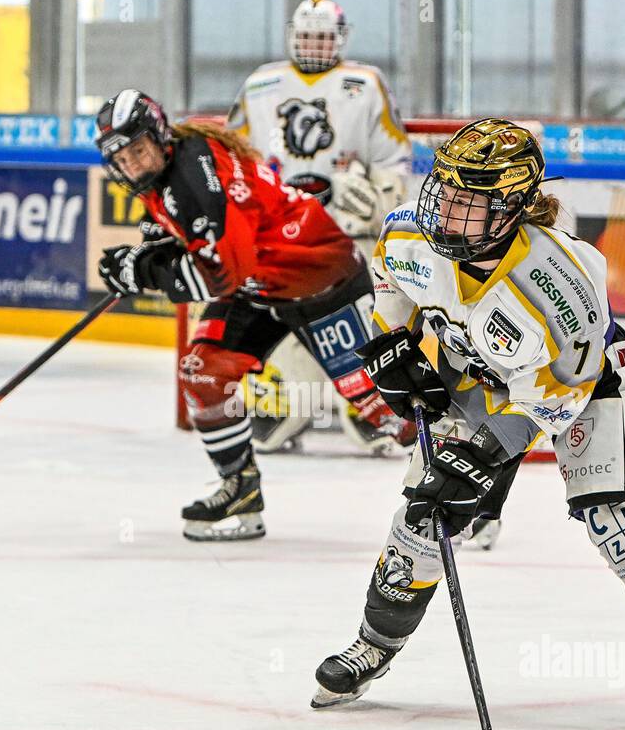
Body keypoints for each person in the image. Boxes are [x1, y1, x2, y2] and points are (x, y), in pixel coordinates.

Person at [311, 119, 625, 730]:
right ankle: (373, 646)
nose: (447, 212)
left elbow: (558, 393)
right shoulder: (412, 235)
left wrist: (484, 455)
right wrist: (394, 351)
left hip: (589, 385)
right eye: (445, 192)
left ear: (511, 208)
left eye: (469, 202)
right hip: (477, 376)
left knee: (620, 524)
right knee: (425, 517)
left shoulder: (560, 288)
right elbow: (391, 287)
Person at [93, 88, 414, 541]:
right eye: (122, 159)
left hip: (319, 280)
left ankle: (463, 500)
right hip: (261, 285)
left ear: (159, 135)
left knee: (386, 406)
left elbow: (220, 275)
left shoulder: (191, 175)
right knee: (204, 373)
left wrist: (144, 269)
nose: (132, 165)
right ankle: (240, 489)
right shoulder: (167, 170)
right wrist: (148, 257)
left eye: (138, 151)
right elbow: (200, 245)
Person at [226, 0, 413, 453]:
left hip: (349, 233)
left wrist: (375, 194)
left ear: (340, 39)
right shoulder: (260, 86)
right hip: (281, 236)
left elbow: (394, 160)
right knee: (281, 324)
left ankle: (371, 407)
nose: (315, 45)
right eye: (307, 36)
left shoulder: (365, 84)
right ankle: (291, 401)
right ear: (292, 36)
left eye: (324, 37)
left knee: (365, 320)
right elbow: (234, 160)